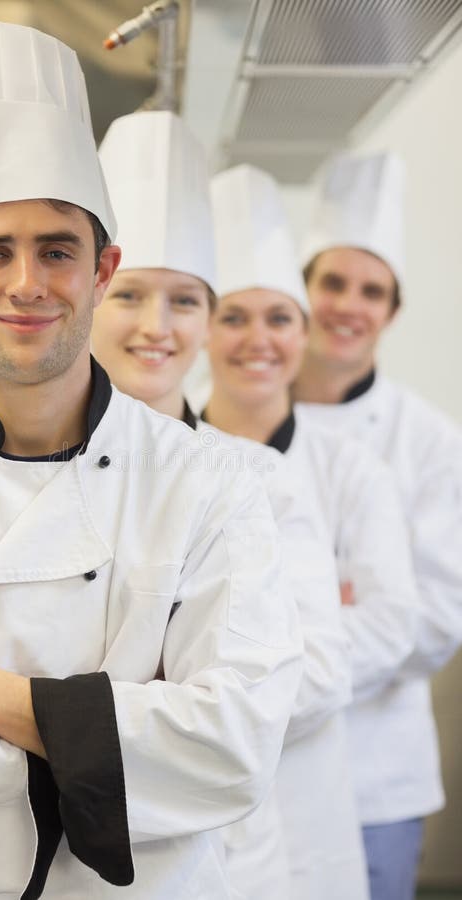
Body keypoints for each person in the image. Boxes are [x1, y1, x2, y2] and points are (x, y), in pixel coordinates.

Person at [0, 20, 304, 900]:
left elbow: (235, 745)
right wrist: (108, 751)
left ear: (100, 268)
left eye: (57, 250)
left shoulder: (211, 482)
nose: (28, 281)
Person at [94, 111, 360, 899]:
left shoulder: (260, 480)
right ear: (88, 300)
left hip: (233, 849)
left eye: (184, 301)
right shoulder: (32, 469)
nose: (156, 326)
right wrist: (200, 675)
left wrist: (83, 700)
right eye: (131, 295)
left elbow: (315, 673)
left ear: (207, 322)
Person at [205, 163, 421, 900]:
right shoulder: (170, 456)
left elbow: (394, 623)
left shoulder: (354, 468)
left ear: (303, 333)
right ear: (202, 330)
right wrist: (317, 626)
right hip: (202, 789)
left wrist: (235, 678)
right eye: (232, 316)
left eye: (279, 318)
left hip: (326, 779)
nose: (257, 339)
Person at [293, 151, 462, 900]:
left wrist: (285, 636)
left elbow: (432, 624)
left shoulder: (428, 440)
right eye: (332, 281)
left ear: (391, 313)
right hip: (253, 773)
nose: (348, 305)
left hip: (377, 785)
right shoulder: (221, 416)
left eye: (372, 291)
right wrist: (351, 603)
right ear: (301, 292)